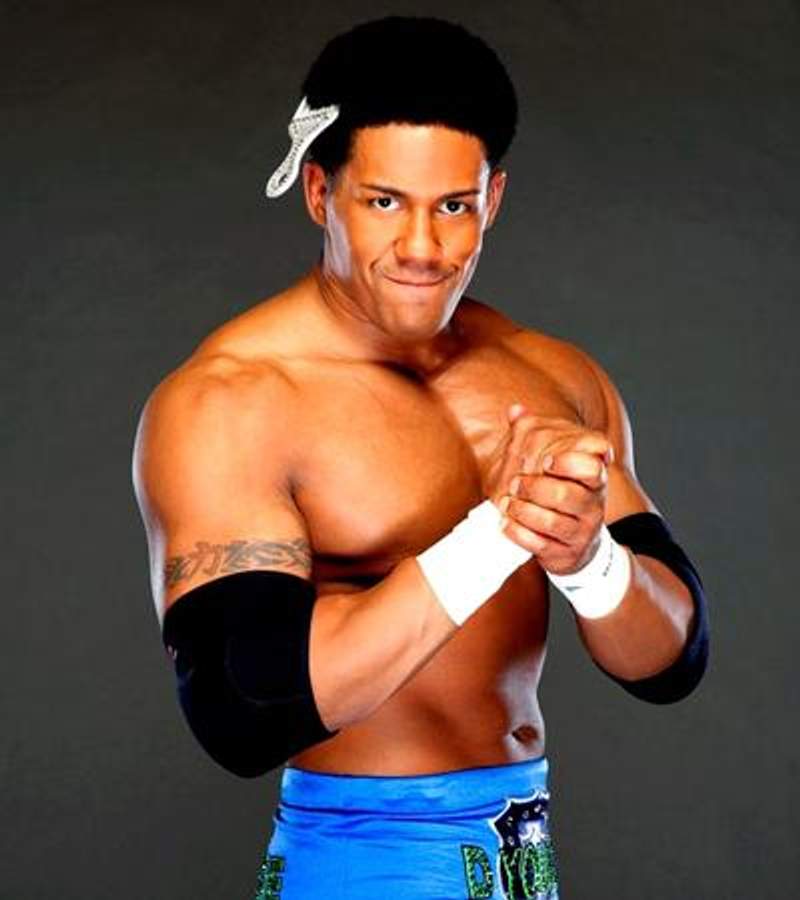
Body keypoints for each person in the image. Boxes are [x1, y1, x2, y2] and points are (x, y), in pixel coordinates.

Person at [131, 15, 709, 900]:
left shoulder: (554, 376)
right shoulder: (232, 401)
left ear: (493, 199)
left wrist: (590, 561)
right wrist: (494, 535)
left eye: (453, 206)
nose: (422, 248)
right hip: (365, 858)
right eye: (384, 203)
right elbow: (242, 714)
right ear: (320, 191)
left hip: (523, 853)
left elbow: (672, 660)